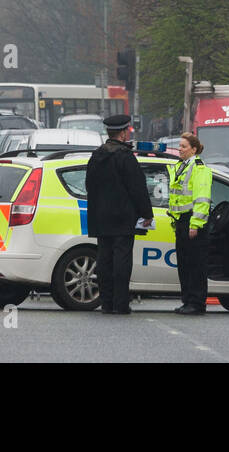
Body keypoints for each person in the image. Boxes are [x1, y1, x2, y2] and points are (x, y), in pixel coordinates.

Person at [85, 114, 152, 314]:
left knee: (104, 260)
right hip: (123, 218)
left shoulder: (96, 156)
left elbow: (89, 185)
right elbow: (137, 188)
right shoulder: (125, 157)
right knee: (122, 261)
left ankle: (106, 303)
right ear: (123, 133)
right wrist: (146, 213)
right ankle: (120, 304)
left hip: (100, 218)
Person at [168, 132, 212, 315]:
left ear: (194, 149)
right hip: (181, 222)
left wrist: (195, 224)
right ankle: (187, 301)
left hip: (193, 222)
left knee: (196, 266)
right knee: (184, 265)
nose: (180, 149)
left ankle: (197, 303)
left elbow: (202, 200)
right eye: (179, 146)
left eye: (183, 146)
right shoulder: (181, 166)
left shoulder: (199, 168)